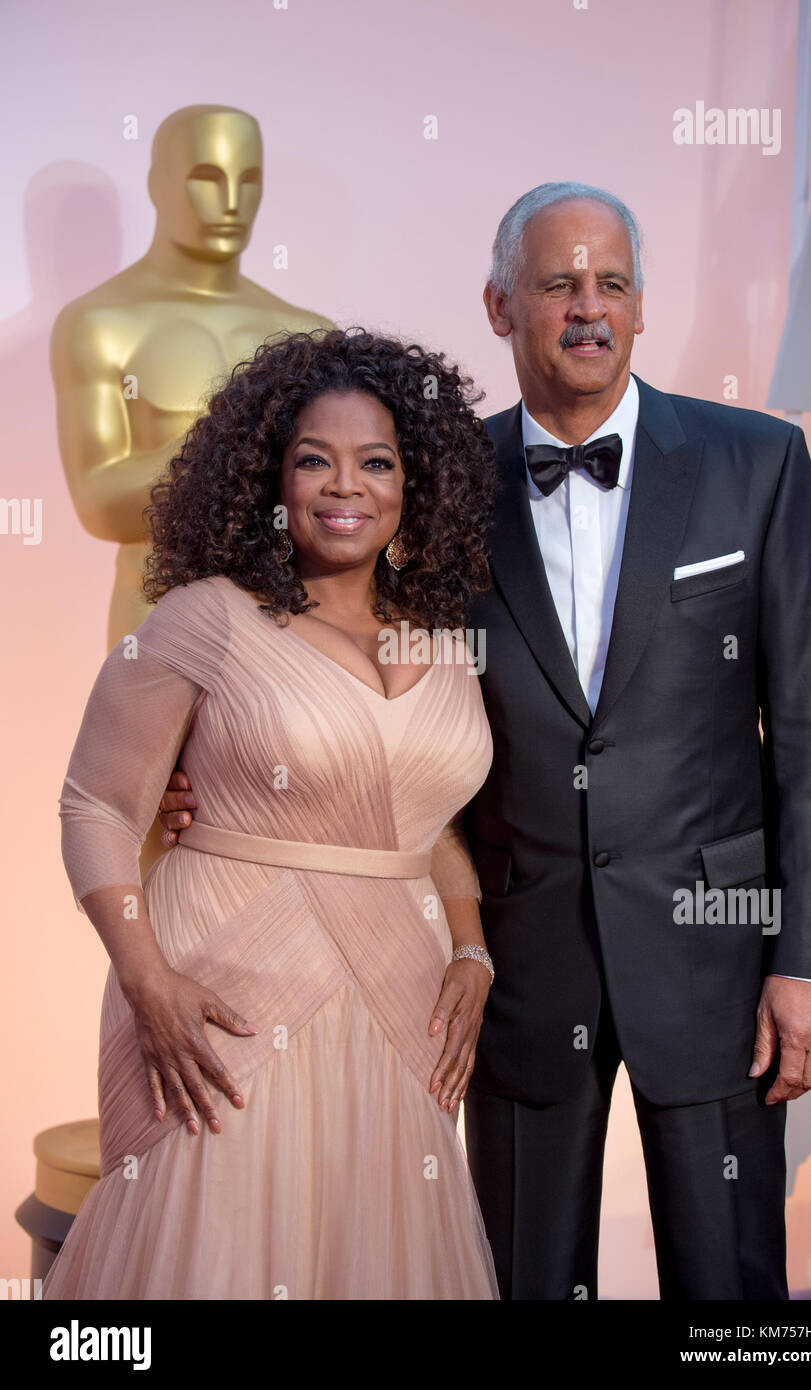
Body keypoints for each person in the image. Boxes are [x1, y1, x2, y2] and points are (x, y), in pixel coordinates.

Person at [163, 183, 811, 1302]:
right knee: (522, 1279)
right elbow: (317, 645)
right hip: (513, 965)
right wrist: (209, 773)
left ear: (639, 308)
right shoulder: (431, 483)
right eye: (557, 284)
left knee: (732, 1294)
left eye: (612, 284)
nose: (588, 308)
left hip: (717, 960)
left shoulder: (755, 463)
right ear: (498, 305)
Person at [44, 327, 501, 1300]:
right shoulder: (202, 617)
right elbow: (94, 805)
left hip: (400, 1006)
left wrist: (471, 947)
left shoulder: (445, 639)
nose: (346, 486)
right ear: (270, 478)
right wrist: (146, 979)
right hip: (224, 1001)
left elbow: (431, 824)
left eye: (376, 462)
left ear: (412, 484)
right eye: (314, 461)